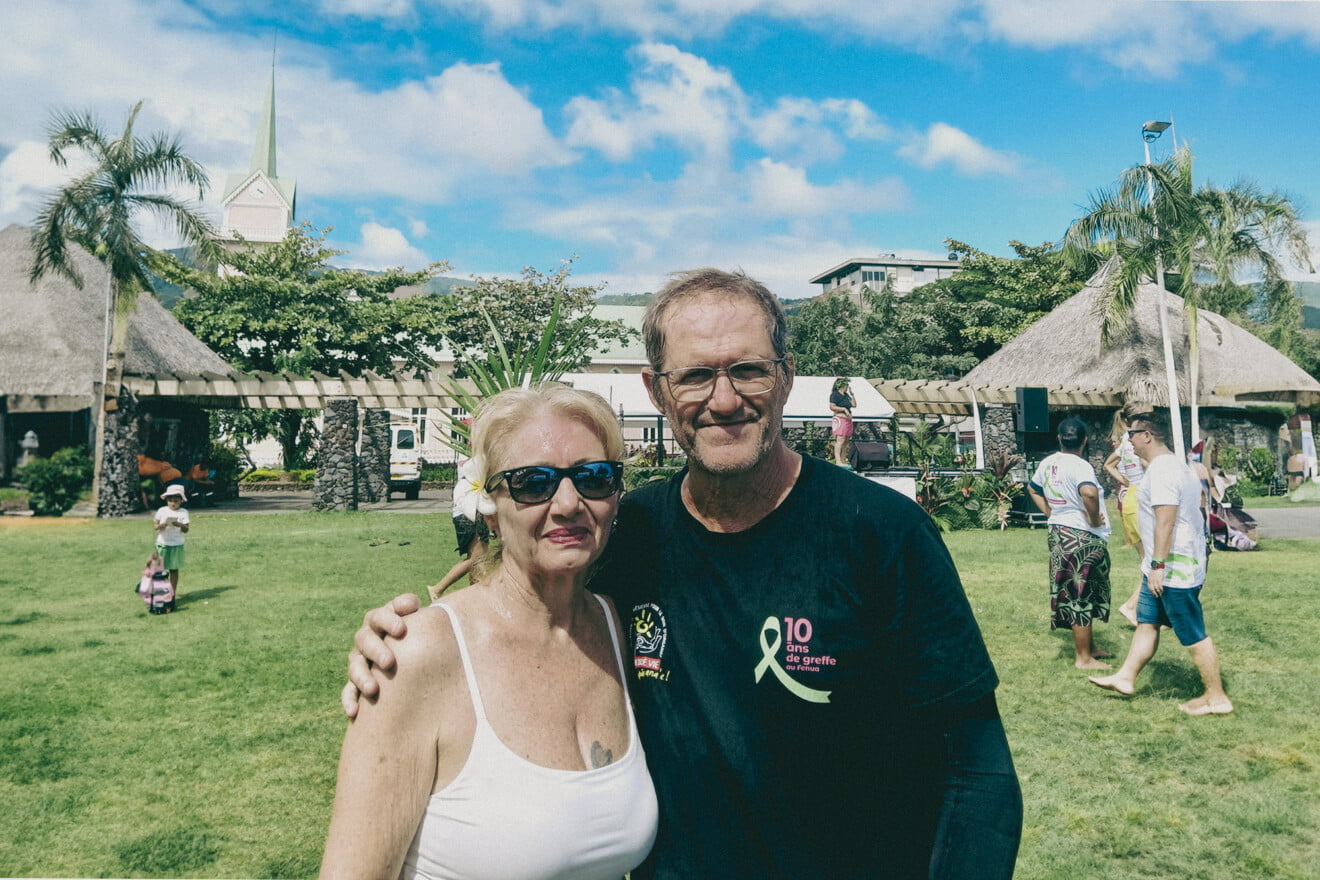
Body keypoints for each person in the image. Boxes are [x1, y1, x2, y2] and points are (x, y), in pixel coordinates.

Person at [344, 268, 1022, 880]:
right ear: (658, 391)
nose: (724, 400)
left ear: (785, 376)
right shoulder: (627, 535)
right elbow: (516, 609)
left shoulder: (879, 533)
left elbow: (979, 772)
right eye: (696, 375)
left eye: (749, 371)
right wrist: (401, 643)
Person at [320, 384, 658, 880]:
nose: (568, 502)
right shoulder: (417, 657)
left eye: (593, 477)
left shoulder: (617, 630)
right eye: (532, 482)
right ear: (489, 507)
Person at [1089, 411, 1234, 716]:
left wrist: (1157, 566)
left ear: (1147, 436)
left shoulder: (1164, 471)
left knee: (1193, 632)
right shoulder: (1166, 467)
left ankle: (1216, 696)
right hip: (1164, 565)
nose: (1127, 440)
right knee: (1147, 622)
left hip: (1174, 568)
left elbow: (1165, 522)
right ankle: (1126, 677)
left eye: (1131, 435)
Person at [1027, 417, 1113, 669]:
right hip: (1081, 538)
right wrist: (1096, 519)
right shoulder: (1080, 465)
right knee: (1081, 593)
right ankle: (1083, 658)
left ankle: (1090, 647)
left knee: (1082, 590)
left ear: (1059, 438)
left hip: (1060, 533)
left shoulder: (1048, 462)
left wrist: (1051, 513)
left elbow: (1033, 489)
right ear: (1085, 440)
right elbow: (1089, 492)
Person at [1104, 406, 1149, 626]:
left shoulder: (1123, 443)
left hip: (1131, 498)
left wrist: (1126, 481)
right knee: (1152, 563)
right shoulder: (1136, 441)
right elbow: (1146, 464)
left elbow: (1108, 465)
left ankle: (1154, 613)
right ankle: (1132, 606)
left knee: (1148, 561)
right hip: (1141, 499)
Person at [427, 456, 491, 602]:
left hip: (462, 514)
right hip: (472, 513)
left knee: (478, 559)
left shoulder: (468, 462)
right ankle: (438, 588)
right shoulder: (479, 461)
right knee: (477, 558)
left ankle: (476, 594)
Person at [152, 484, 190, 593]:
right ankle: (160, 590)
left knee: (174, 569)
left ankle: (172, 592)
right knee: (159, 569)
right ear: (166, 500)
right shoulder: (162, 511)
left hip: (176, 544)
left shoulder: (183, 512)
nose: (173, 503)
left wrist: (180, 525)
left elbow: (186, 529)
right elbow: (155, 526)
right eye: (170, 500)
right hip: (163, 543)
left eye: (176, 501)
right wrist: (161, 526)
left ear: (181, 501)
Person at [828, 376, 857, 467]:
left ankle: (843, 459)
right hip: (840, 419)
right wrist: (844, 409)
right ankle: (838, 460)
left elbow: (854, 405)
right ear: (842, 385)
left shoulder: (847, 395)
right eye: (847, 385)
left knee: (846, 440)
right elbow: (832, 407)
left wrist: (852, 394)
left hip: (848, 420)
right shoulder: (835, 395)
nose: (848, 386)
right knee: (840, 440)